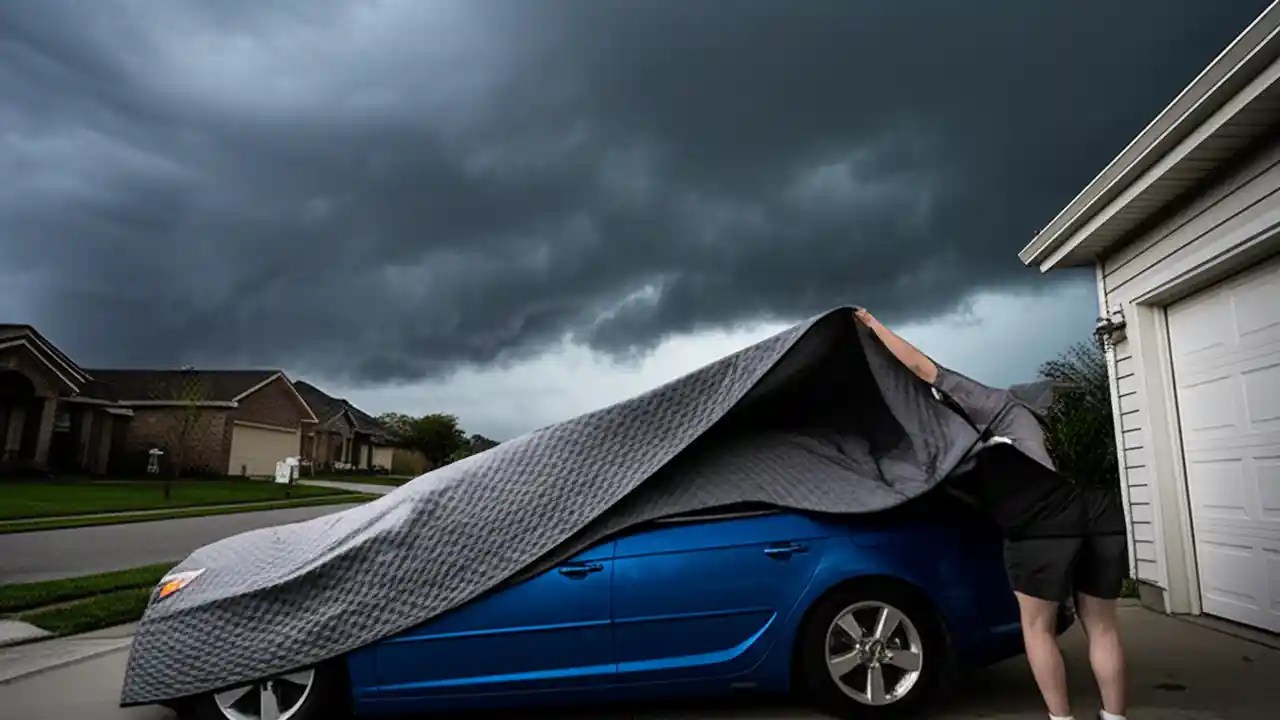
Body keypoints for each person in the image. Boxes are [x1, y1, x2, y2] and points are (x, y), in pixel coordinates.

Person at [853, 307, 1129, 720]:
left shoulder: (941, 453)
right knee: (1103, 628)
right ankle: (1115, 716)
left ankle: (1061, 718)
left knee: (1038, 630)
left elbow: (917, 369)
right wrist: (875, 326)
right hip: (1101, 517)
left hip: (1040, 529)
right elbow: (921, 367)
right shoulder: (1005, 407)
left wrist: (872, 327)